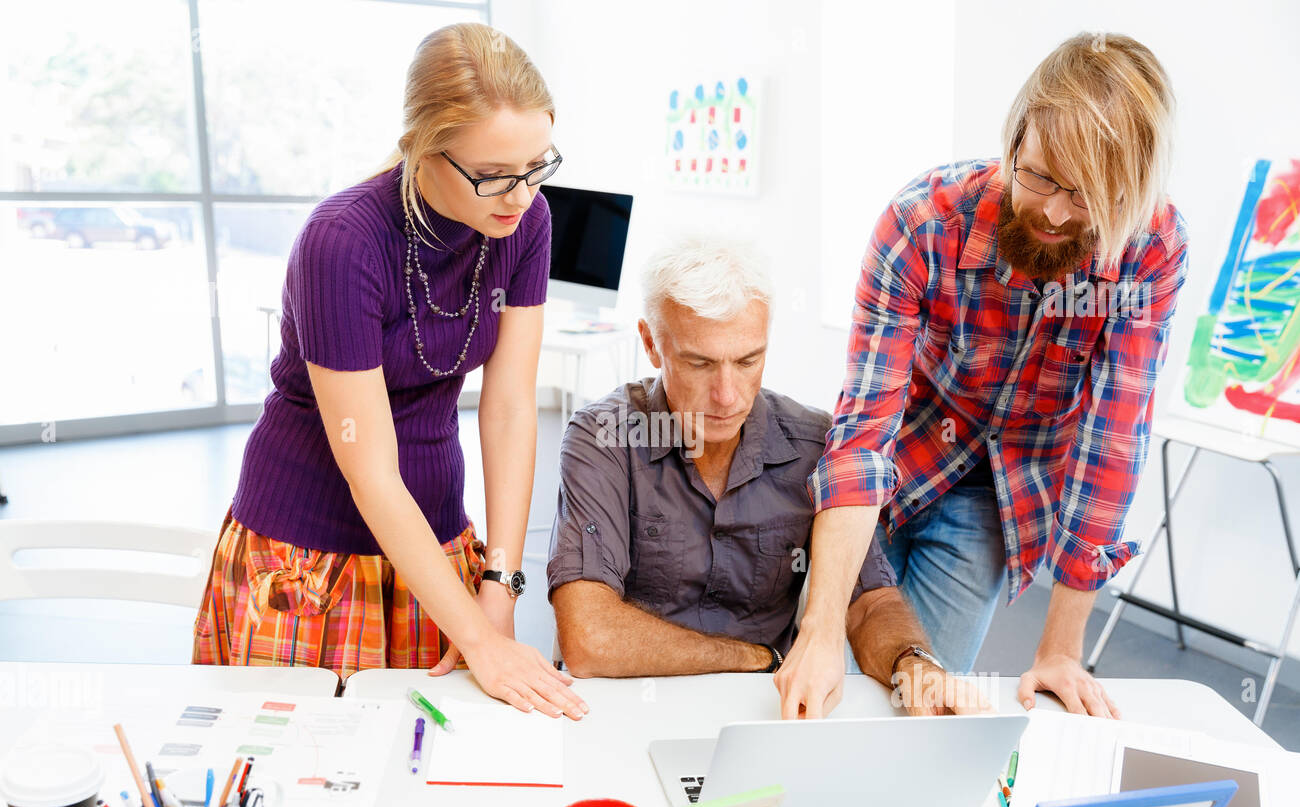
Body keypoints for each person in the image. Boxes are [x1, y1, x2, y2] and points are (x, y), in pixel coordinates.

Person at [779, 32, 1188, 720]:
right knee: (818, 678)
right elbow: (862, 433)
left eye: (1087, 195)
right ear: (1016, 137)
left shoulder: (1151, 248)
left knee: (920, 702)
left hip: (1002, 493)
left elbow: (1111, 441)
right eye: (1040, 176)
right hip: (899, 455)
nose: (1055, 212)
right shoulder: (923, 221)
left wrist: (1059, 650)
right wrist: (818, 633)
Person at [192, 23, 586, 720]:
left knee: (431, 769)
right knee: (301, 775)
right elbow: (369, 467)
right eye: (493, 174)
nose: (520, 195)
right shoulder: (342, 241)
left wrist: (499, 581)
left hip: (432, 534)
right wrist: (478, 639)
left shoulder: (527, 222)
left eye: (537, 165)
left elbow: (509, 410)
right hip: (306, 550)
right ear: (421, 150)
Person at [547, 237, 988, 716]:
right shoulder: (603, 437)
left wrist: (914, 663)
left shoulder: (814, 442)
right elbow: (590, 637)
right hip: (624, 707)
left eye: (747, 360)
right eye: (700, 363)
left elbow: (867, 603)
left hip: (759, 713)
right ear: (652, 343)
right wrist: (756, 659)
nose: (727, 395)